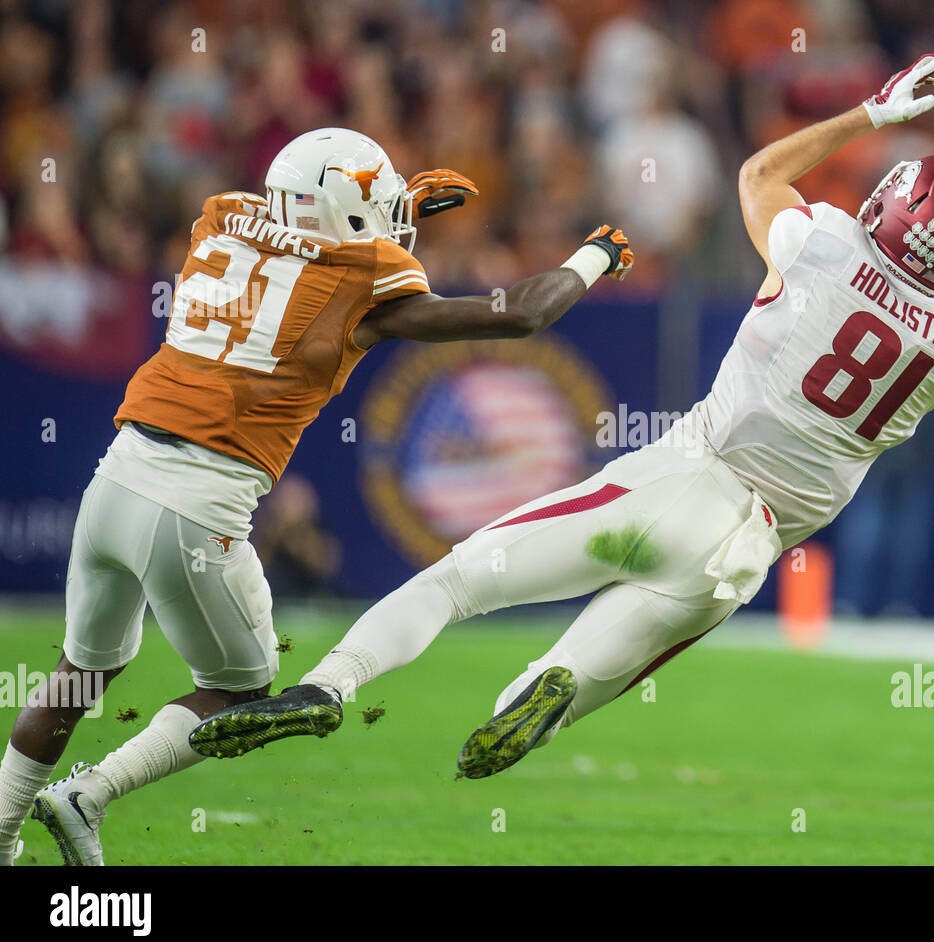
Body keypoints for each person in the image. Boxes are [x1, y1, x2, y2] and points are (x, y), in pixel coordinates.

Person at [192, 51, 934, 786]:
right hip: (743, 558)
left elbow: (759, 176)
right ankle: (558, 681)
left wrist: (873, 111)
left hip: (686, 479)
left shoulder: (822, 248)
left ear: (891, 211)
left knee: (456, 583)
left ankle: (331, 685)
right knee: (563, 681)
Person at [0, 126, 634, 866]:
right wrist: (597, 254)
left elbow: (303, 242)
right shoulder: (366, 281)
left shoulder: (221, 218)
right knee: (242, 693)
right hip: (196, 506)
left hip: (115, 478)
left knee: (79, 675)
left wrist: (392, 208)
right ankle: (92, 792)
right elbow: (520, 312)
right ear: (348, 216)